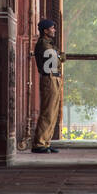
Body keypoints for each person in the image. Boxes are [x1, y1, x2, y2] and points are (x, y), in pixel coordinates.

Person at [32, 18, 63, 153]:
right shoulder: (43, 44)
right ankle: (39, 143)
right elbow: (56, 57)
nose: (54, 30)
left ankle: (45, 141)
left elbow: (61, 57)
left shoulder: (49, 44)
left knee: (53, 112)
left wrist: (59, 55)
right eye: (51, 28)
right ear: (45, 31)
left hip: (54, 78)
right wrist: (59, 55)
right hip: (49, 78)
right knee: (48, 112)